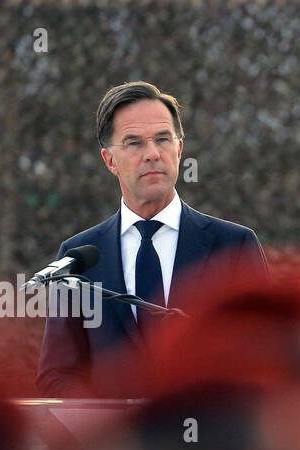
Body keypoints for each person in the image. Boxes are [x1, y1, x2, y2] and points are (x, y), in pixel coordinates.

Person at [36, 81, 270, 398]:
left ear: (180, 149)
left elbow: (265, 365)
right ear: (109, 160)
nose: (152, 154)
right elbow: (57, 375)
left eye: (162, 139)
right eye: (134, 143)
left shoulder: (233, 247)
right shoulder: (78, 259)